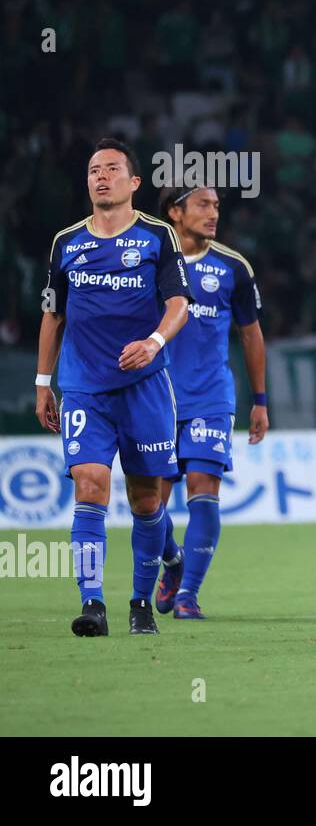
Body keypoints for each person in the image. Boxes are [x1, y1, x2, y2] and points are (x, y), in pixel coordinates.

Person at [37, 138, 192, 636]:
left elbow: (179, 305)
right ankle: (93, 604)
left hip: (145, 385)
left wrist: (153, 342)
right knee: (90, 486)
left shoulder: (158, 236)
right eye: (92, 170)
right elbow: (52, 314)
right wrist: (44, 381)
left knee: (146, 501)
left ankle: (142, 601)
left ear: (134, 182)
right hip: (84, 386)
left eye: (110, 169)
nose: (100, 176)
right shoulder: (66, 243)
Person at [153, 186, 268, 619]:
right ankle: (173, 562)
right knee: (150, 504)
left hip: (210, 398)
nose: (213, 212)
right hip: (157, 397)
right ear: (175, 212)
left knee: (204, 488)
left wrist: (260, 400)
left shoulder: (233, 267)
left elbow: (251, 334)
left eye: (217, 206)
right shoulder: (151, 259)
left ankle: (188, 596)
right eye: (203, 204)